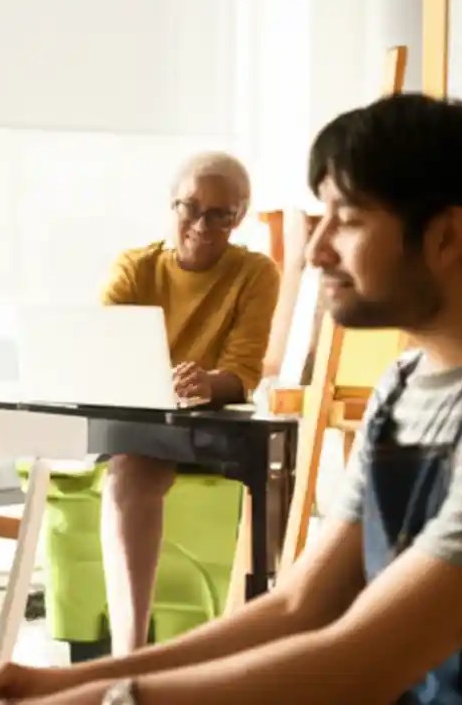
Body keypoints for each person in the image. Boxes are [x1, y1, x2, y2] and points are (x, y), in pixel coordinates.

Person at [0, 93, 462, 705]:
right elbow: (299, 607)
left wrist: (111, 699)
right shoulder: (403, 386)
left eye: (345, 219)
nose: (317, 250)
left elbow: (360, 662)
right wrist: (79, 676)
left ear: (447, 236)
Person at [97, 151, 280, 655]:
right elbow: (103, 348)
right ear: (171, 205)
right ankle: (128, 656)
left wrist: (208, 383)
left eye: (220, 214)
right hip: (138, 420)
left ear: (239, 217)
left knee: (138, 465)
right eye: (191, 208)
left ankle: (251, 641)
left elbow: (242, 372)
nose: (201, 224)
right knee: (132, 465)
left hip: (210, 423)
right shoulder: (134, 268)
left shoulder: (256, 274)